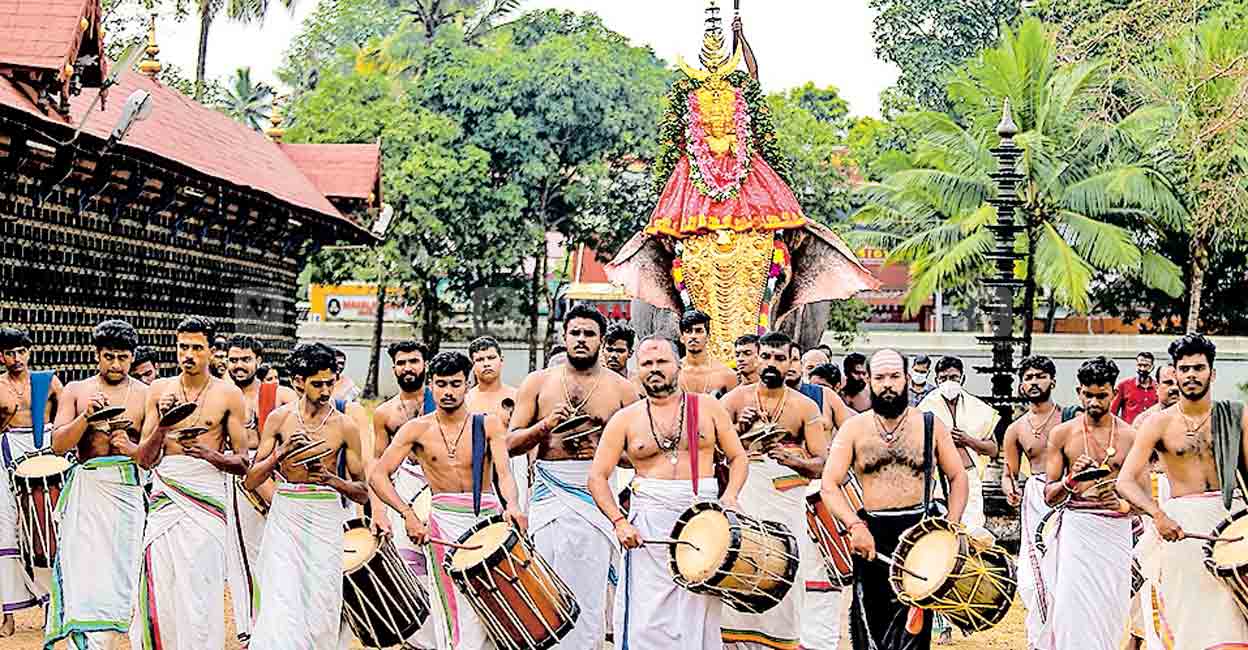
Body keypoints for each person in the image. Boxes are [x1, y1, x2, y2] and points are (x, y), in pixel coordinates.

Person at [587, 336, 748, 650]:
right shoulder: (625, 419)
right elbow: (597, 476)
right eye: (646, 364)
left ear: (678, 365)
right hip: (647, 526)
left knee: (698, 612)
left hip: (704, 521)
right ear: (638, 369)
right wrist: (620, 522)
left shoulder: (709, 408)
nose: (654, 369)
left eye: (661, 362)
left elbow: (738, 457)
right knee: (647, 619)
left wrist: (729, 497)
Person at [371, 351, 526, 650]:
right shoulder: (417, 429)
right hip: (443, 525)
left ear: (467, 385)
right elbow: (378, 475)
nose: (449, 391)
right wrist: (407, 514)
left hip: (488, 521)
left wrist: (513, 505)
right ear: (431, 385)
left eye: (456, 384)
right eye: (441, 384)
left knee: (499, 605)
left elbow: (505, 475)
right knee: (454, 609)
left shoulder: (487, 424)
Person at [507, 303, 639, 649]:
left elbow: (637, 458)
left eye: (589, 334)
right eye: (575, 333)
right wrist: (545, 426)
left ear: (601, 340)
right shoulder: (538, 383)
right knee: (545, 587)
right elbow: (509, 443)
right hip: (550, 494)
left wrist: (604, 448)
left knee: (590, 588)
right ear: (564, 337)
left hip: (596, 494)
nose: (581, 340)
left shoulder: (622, 390)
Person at [821, 349, 968, 650]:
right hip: (870, 535)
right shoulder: (854, 429)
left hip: (920, 537)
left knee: (913, 634)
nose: (888, 384)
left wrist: (951, 528)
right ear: (869, 381)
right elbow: (829, 485)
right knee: (870, 629)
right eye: (880, 377)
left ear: (906, 377)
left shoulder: (930, 425)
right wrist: (855, 526)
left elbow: (958, 476)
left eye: (894, 376)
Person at [1116, 334, 1248, 648]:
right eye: (1184, 368)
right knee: (1190, 622)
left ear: (1212, 373)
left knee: (1234, 626)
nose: (1191, 375)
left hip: (1233, 526)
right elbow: (1125, 481)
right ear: (1174, 374)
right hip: (1181, 529)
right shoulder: (1157, 424)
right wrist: (1158, 516)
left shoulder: (1236, 415)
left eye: (1199, 368)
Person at [130, 316, 250, 650]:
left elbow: (242, 462)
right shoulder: (158, 390)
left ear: (213, 351)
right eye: (184, 346)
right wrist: (164, 427)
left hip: (206, 501)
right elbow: (143, 458)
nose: (189, 354)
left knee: (201, 589)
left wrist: (208, 455)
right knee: (162, 588)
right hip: (165, 498)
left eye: (198, 347)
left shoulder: (229, 395)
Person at [244, 343, 367, 649]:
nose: (326, 391)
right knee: (281, 597)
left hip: (326, 515)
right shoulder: (279, 419)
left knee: (321, 601)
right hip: (286, 513)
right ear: (298, 381)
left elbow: (363, 492)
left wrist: (331, 480)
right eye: (317, 383)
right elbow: (251, 480)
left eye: (330, 382)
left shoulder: (345, 426)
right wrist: (280, 455)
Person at [719, 332, 827, 649]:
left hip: (786, 503)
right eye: (765, 356)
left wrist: (793, 460)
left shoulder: (804, 407)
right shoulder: (734, 401)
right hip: (745, 496)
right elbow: (712, 453)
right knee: (737, 565)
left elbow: (822, 463)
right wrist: (739, 433)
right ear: (757, 357)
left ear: (792, 362)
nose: (771, 364)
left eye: (779, 358)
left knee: (786, 574)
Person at [45, 320, 148, 650]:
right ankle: (89, 644)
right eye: (108, 357)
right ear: (97, 355)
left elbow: (153, 454)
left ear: (132, 357)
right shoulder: (77, 390)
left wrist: (131, 446)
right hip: (88, 489)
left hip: (128, 490)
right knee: (85, 566)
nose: (115, 364)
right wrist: (86, 418)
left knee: (129, 565)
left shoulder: (147, 395)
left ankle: (133, 637)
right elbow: (59, 444)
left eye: (122, 357)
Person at [1037, 356, 1136, 650]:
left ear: (1114, 393)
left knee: (1110, 608)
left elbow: (1143, 498)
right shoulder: (1062, 434)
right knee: (1072, 608)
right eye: (1088, 394)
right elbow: (1048, 496)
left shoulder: (1131, 437)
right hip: (1077, 529)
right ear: (1079, 392)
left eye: (1102, 395)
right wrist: (1072, 479)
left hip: (1116, 531)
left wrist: (1120, 503)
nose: (1094, 401)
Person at [222, 333, 297, 646]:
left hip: (277, 471)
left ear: (259, 361)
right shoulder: (220, 394)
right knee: (243, 553)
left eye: (246, 359)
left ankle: (286, 621)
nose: (239, 366)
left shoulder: (279, 395)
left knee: (286, 550)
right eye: (234, 359)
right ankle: (250, 628)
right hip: (237, 474)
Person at [0, 325, 62, 629]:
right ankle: (8, 613)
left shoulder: (47, 382)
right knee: (6, 529)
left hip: (44, 456)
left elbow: (65, 419)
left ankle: (52, 603)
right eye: (10, 352)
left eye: (21, 351)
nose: (16, 358)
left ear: (29, 352)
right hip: (6, 454)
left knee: (46, 532)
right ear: (1, 356)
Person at [999, 355, 1062, 648]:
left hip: (1067, 496)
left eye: (1040, 376)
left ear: (1052, 380)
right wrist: (1010, 490)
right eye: (1028, 377)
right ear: (1022, 384)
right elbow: (1008, 473)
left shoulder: (1070, 418)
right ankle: (1040, 641)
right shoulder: (1016, 428)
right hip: (1035, 498)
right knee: (1033, 576)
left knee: (1064, 569)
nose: (1034, 382)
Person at [918, 356, 999, 542]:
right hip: (938, 481)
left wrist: (968, 440)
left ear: (962, 379)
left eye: (953, 378)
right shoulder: (925, 409)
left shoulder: (977, 407)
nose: (949, 382)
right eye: (943, 378)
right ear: (937, 380)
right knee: (940, 535)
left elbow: (993, 449)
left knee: (973, 534)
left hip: (969, 477)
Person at [466, 336, 526, 507]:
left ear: (501, 360)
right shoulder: (466, 401)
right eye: (480, 359)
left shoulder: (518, 397)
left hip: (514, 466)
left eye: (491, 358)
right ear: (473, 364)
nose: (486, 363)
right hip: (478, 468)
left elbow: (528, 439)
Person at [677, 309, 737, 396]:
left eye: (698, 331)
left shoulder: (726, 375)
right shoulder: (672, 373)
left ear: (708, 337)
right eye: (688, 331)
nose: (693, 336)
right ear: (682, 338)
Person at [1111, 352, 1158, 425]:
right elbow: (1112, 412)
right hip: (1129, 432)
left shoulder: (1158, 387)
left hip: (1151, 431)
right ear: (1136, 365)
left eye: (1146, 366)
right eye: (1140, 365)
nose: (1142, 369)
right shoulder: (1123, 385)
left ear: (1152, 367)